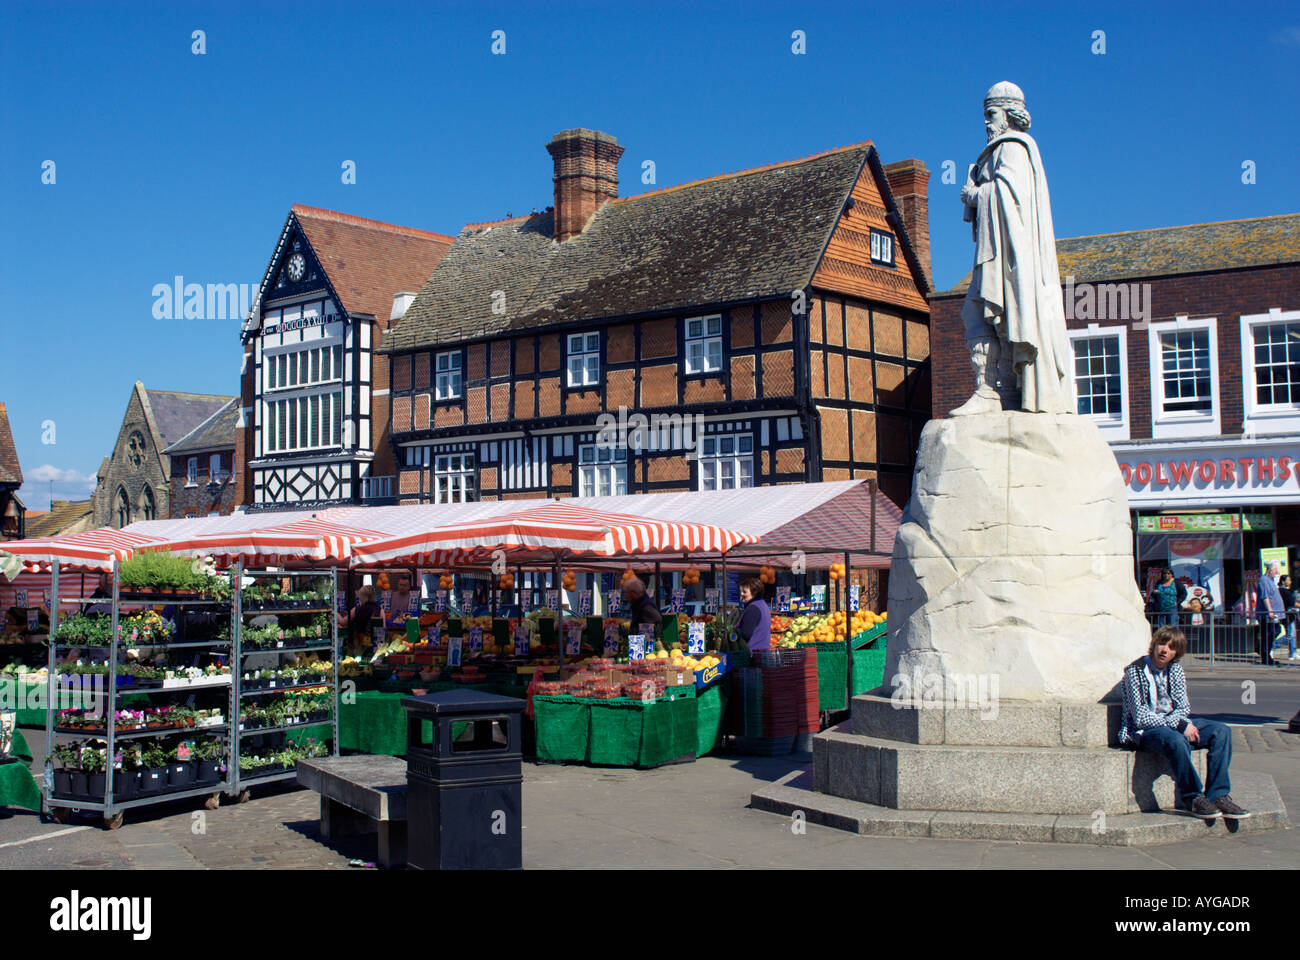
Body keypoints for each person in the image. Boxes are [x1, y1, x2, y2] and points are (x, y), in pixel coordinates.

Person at [1118, 625, 1249, 820]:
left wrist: (1181, 722)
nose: (1165, 650)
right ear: (1154, 644)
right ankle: (1193, 797)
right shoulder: (1135, 672)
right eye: (1162, 644)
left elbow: (1183, 707)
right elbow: (1141, 718)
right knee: (1175, 739)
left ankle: (1218, 795)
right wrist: (1180, 725)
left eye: (1171, 648)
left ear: (1176, 653)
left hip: (1173, 723)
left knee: (1221, 731)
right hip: (1143, 732)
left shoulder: (1176, 671)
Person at [338, 585, 383, 655]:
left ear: (363, 597)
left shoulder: (356, 609)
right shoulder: (380, 610)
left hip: (359, 647)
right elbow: (383, 628)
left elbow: (342, 622)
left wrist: (335, 612)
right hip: (376, 647)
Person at [1255, 562, 1285, 665]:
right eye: (1275, 571)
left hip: (1274, 614)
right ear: (1270, 570)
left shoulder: (1271, 580)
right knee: (1269, 633)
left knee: (1275, 631)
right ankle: (1265, 654)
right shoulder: (1264, 580)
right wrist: (1270, 610)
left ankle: (1266, 654)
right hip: (1267, 615)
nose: (1277, 573)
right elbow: (1265, 596)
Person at [736, 577, 772, 652]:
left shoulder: (753, 608)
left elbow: (746, 634)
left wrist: (734, 631)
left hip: (752, 654)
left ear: (754, 593)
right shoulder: (762, 604)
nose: (741, 594)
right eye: (741, 591)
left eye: (744, 592)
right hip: (761, 652)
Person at [1278, 574, 1298, 662]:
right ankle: (1272, 645)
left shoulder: (1286, 591)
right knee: (1289, 635)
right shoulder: (1283, 591)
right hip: (1287, 615)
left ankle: (1292, 653)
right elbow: (1291, 602)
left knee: (1292, 635)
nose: (1290, 582)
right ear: (1283, 581)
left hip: (1290, 615)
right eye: (1288, 580)